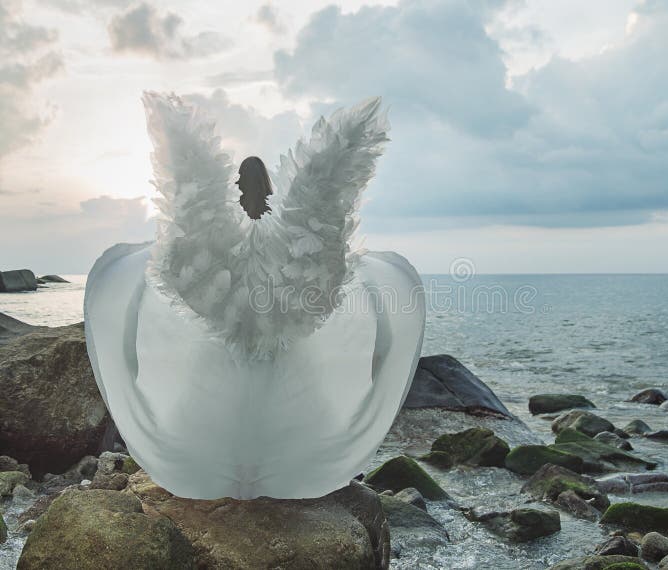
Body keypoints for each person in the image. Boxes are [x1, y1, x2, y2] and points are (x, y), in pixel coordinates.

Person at [83, 92, 426, 500]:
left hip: (205, 426)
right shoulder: (295, 258)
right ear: (272, 189)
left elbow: (130, 331)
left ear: (231, 189)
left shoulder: (209, 259)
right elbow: (378, 336)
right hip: (295, 417)